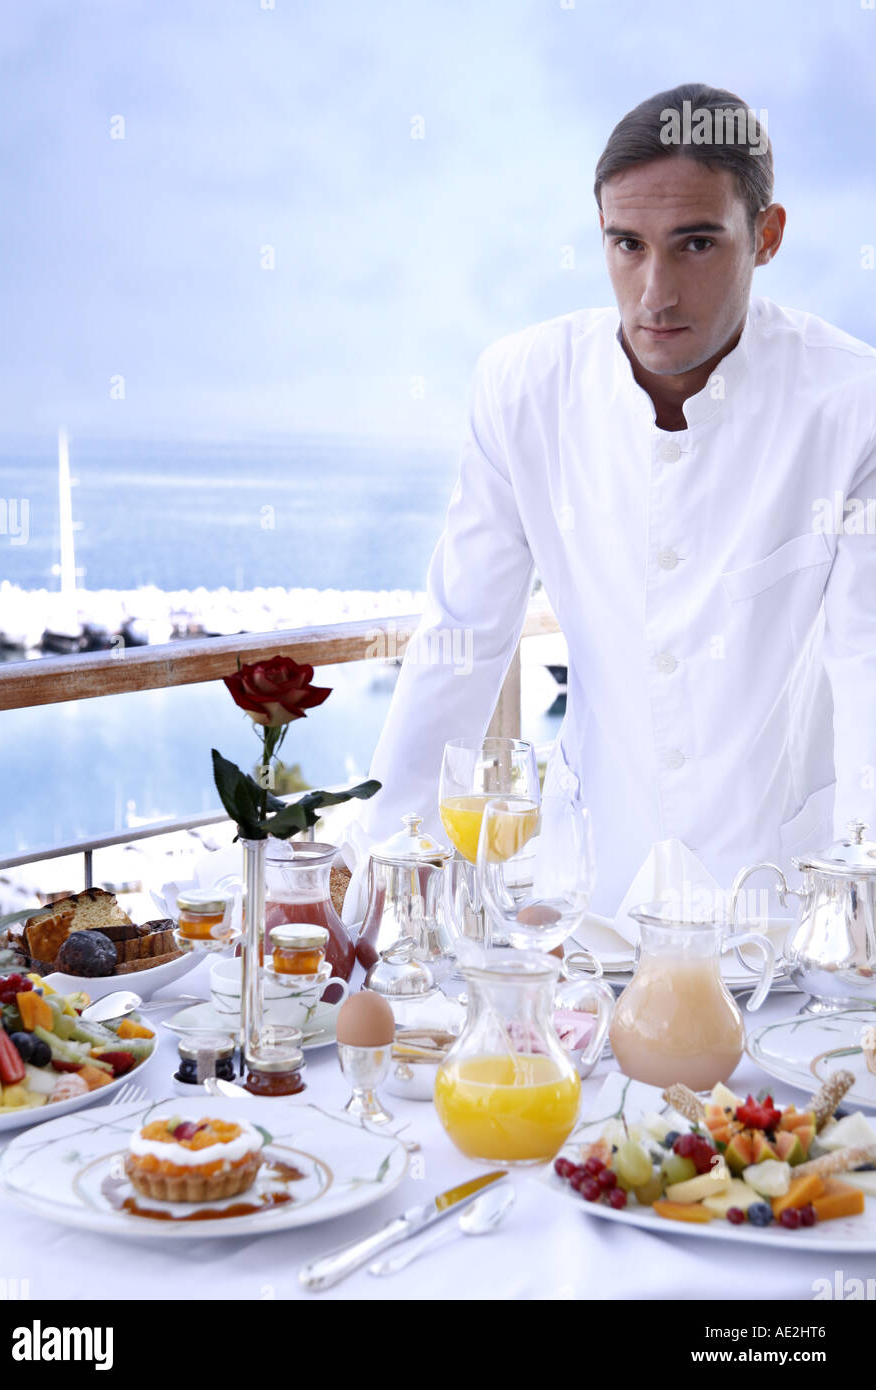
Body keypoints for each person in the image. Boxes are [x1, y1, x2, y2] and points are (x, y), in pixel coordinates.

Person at [337, 82, 876, 930]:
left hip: (780, 912)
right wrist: (376, 881)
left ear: (766, 237)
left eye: (696, 244)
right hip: (590, 903)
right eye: (628, 244)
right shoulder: (524, 387)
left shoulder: (852, 405)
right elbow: (460, 641)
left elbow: (868, 666)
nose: (655, 292)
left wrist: (863, 911)